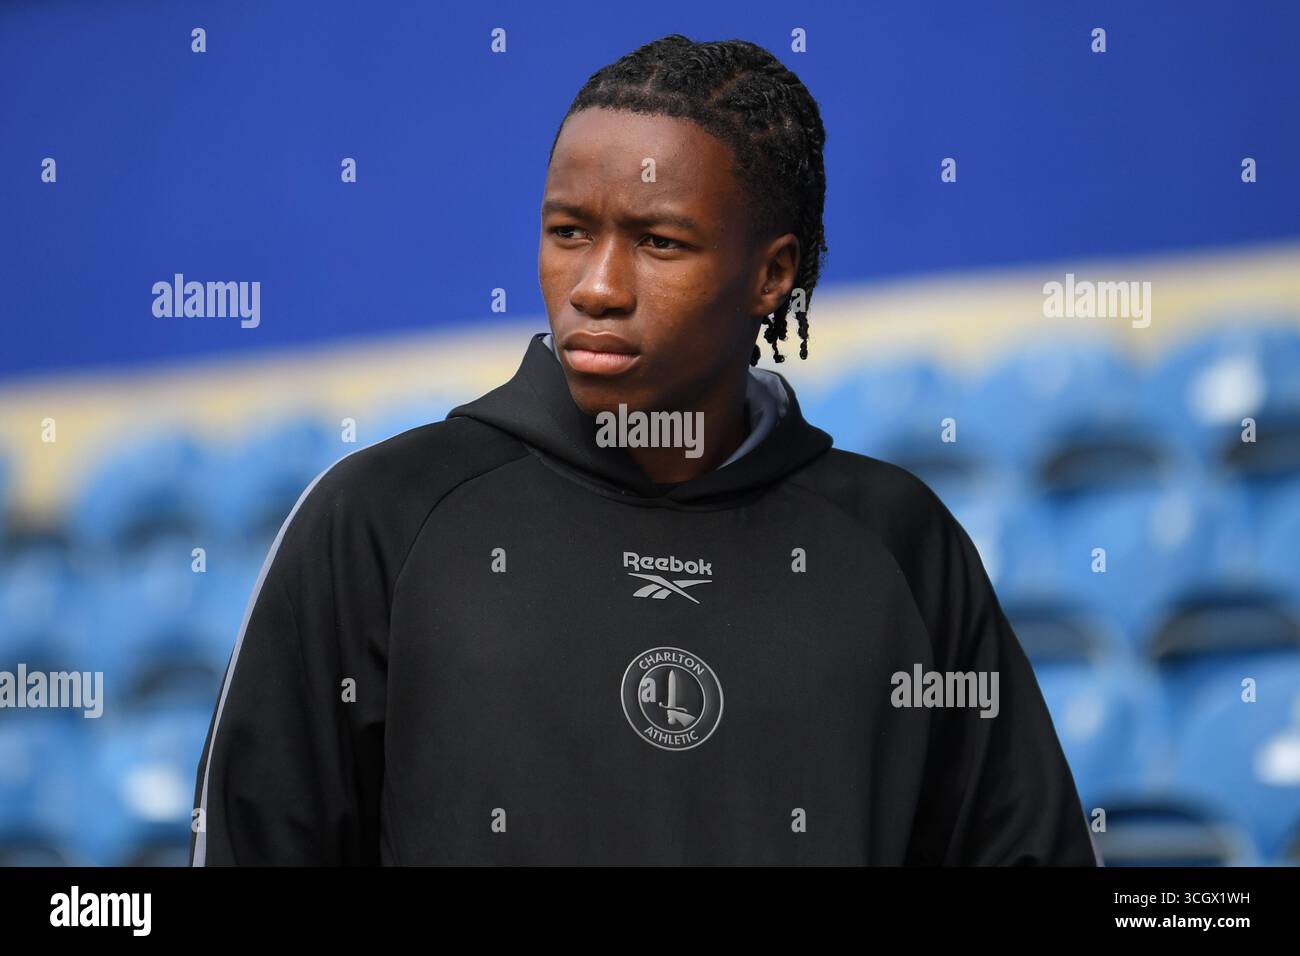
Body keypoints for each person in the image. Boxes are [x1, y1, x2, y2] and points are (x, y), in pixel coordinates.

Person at [190, 34, 1098, 866]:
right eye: (568, 232)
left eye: (659, 242)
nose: (596, 287)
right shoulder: (379, 519)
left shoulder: (900, 545)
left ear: (771, 274)